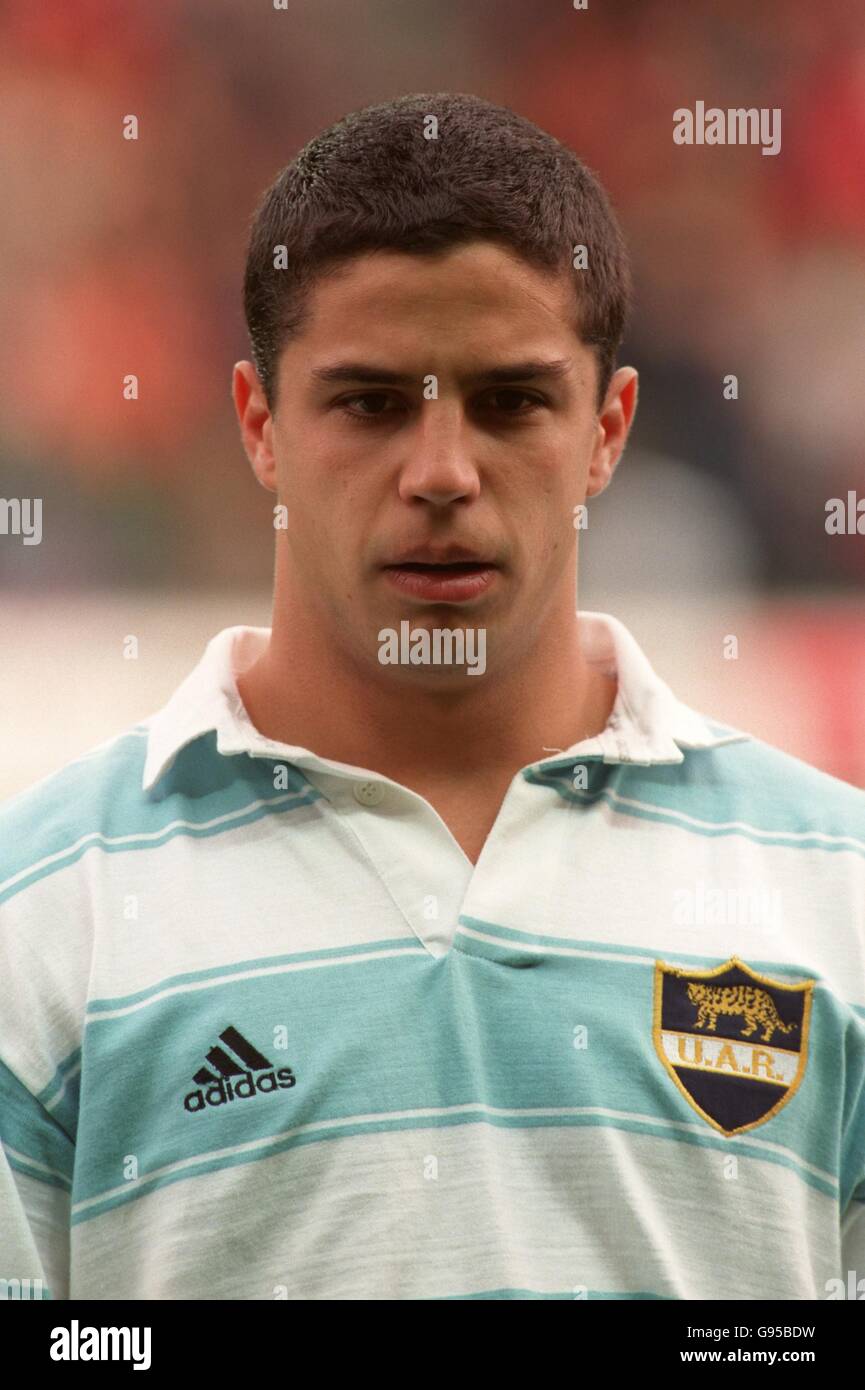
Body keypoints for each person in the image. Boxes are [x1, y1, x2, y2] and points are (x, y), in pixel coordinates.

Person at [1, 92, 863, 1302]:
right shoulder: (41, 913)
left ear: (607, 429)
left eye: (511, 401)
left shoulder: (836, 891)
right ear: (260, 424)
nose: (443, 472)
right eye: (367, 403)